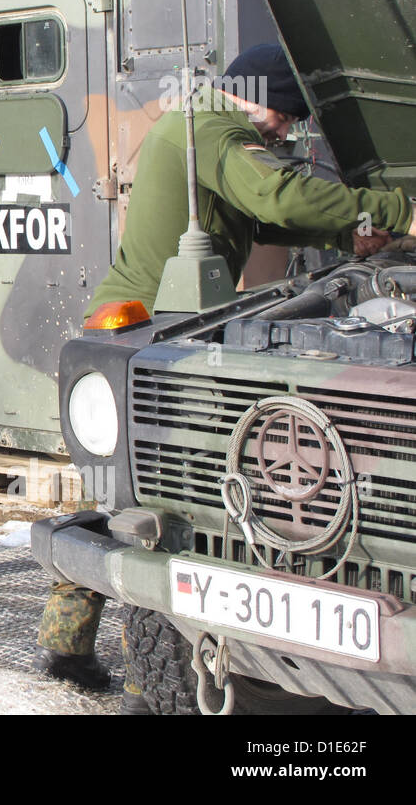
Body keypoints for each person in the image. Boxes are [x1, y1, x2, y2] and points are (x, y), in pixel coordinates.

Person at [35, 42, 414, 695]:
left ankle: (67, 646)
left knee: (124, 489)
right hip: (146, 329)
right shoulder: (211, 130)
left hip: (158, 327)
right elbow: (274, 194)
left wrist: (348, 238)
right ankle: (134, 681)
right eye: (285, 117)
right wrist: (393, 211)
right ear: (259, 97)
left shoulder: (207, 126)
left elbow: (261, 218)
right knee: (148, 500)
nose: (288, 130)